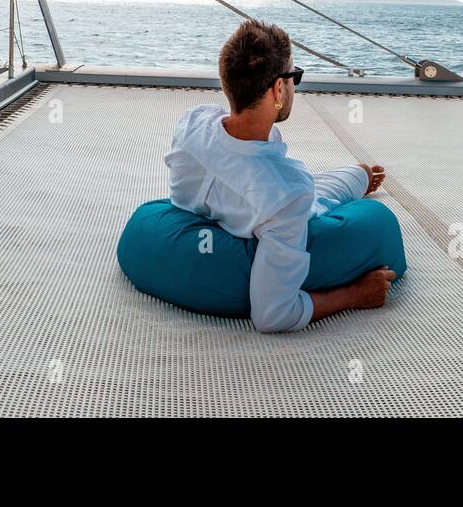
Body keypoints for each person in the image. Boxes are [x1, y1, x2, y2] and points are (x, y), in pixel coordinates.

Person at [165, 19, 396, 333]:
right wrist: (356, 294)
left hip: (238, 195)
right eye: (294, 76)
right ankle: (359, 177)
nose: (294, 86)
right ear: (277, 88)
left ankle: (359, 176)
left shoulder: (194, 121)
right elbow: (273, 315)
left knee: (335, 179)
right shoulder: (289, 195)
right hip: (274, 206)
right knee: (327, 194)